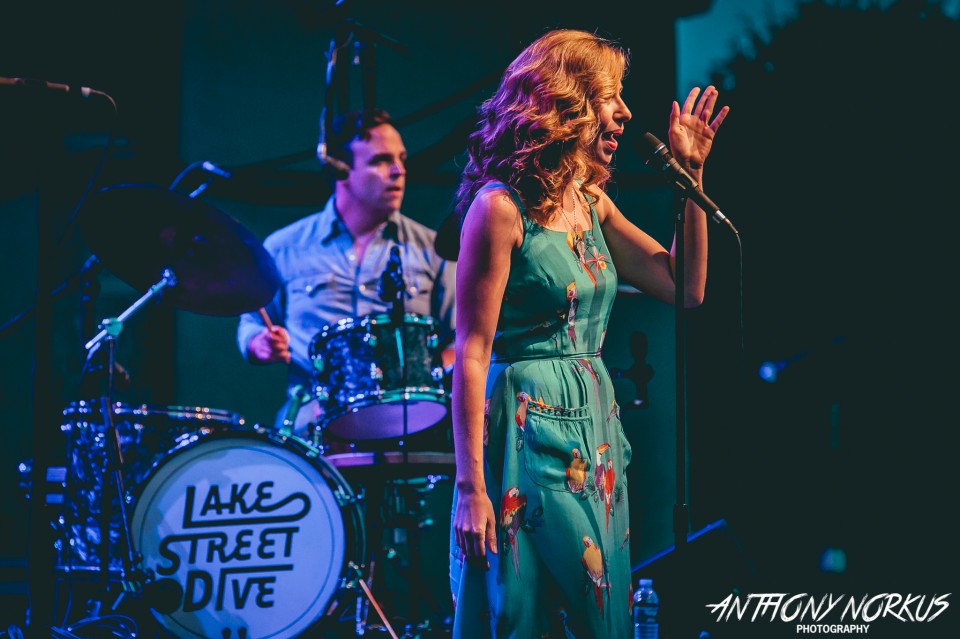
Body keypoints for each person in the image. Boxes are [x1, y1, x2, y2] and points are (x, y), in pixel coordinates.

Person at [448, 29, 729, 637]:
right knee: (523, 607)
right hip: (525, 427)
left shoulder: (591, 202)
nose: (626, 112)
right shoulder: (499, 209)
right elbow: (471, 351)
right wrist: (472, 487)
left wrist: (691, 178)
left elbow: (686, 286)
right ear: (564, 100)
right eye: (611, 95)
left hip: (593, 424)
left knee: (601, 613)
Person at [237, 107, 456, 446]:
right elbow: (251, 322)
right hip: (313, 423)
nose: (399, 171)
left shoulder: (434, 248)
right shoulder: (285, 247)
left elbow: (464, 337)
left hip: (408, 424)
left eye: (401, 158)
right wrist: (259, 343)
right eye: (381, 160)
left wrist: (427, 377)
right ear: (339, 169)